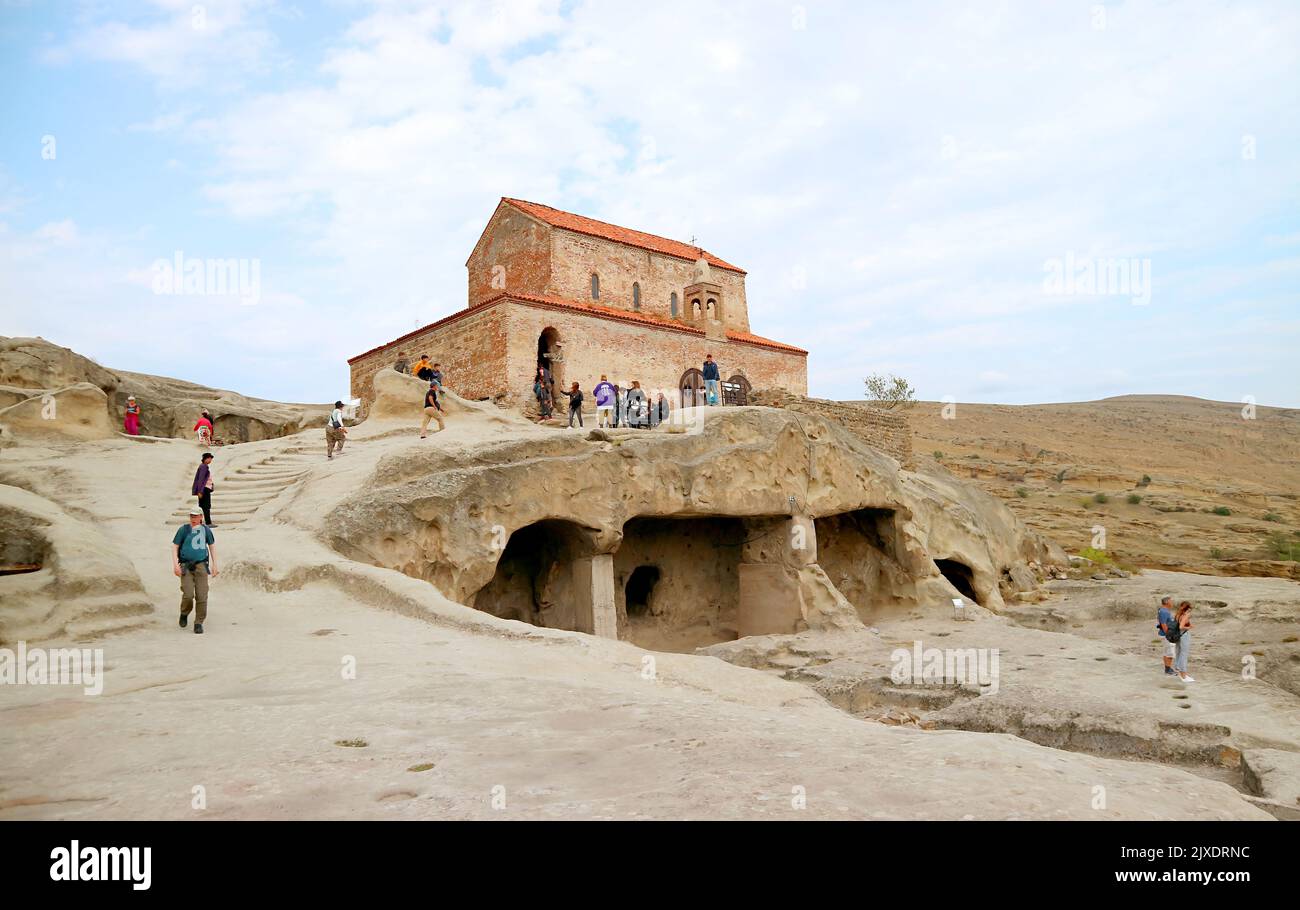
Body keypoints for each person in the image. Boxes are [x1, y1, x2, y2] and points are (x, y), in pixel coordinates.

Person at [172, 506, 218, 635]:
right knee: (188, 594)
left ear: (201, 517)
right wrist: (175, 565)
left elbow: (212, 546)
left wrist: (215, 565)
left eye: (196, 516)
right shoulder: (183, 530)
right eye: (191, 516)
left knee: (202, 595)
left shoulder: (206, 530)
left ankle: (198, 622)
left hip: (201, 565)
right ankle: (184, 612)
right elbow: (175, 546)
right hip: (186, 566)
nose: (193, 518)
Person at [1172, 601, 1195, 682]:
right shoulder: (1185, 615)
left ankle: (1178, 669)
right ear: (1188, 608)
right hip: (1184, 635)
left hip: (1178, 635)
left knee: (1178, 652)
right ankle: (1184, 676)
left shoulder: (1177, 614)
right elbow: (1181, 626)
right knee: (1184, 654)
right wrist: (1189, 627)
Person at [192, 451, 216, 527]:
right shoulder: (204, 467)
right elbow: (201, 479)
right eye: (209, 459)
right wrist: (200, 491)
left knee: (202, 506)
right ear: (205, 459)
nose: (210, 460)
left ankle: (200, 522)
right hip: (204, 489)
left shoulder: (203, 466)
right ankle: (208, 523)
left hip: (204, 489)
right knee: (206, 506)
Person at [1156, 595, 1176, 676]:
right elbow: (1164, 624)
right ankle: (1168, 670)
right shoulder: (1164, 612)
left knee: (1166, 652)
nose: (1172, 603)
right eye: (1171, 601)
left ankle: (1167, 668)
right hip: (1166, 635)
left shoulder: (1162, 610)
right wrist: (1169, 635)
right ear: (1167, 602)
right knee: (1170, 653)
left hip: (1163, 634)